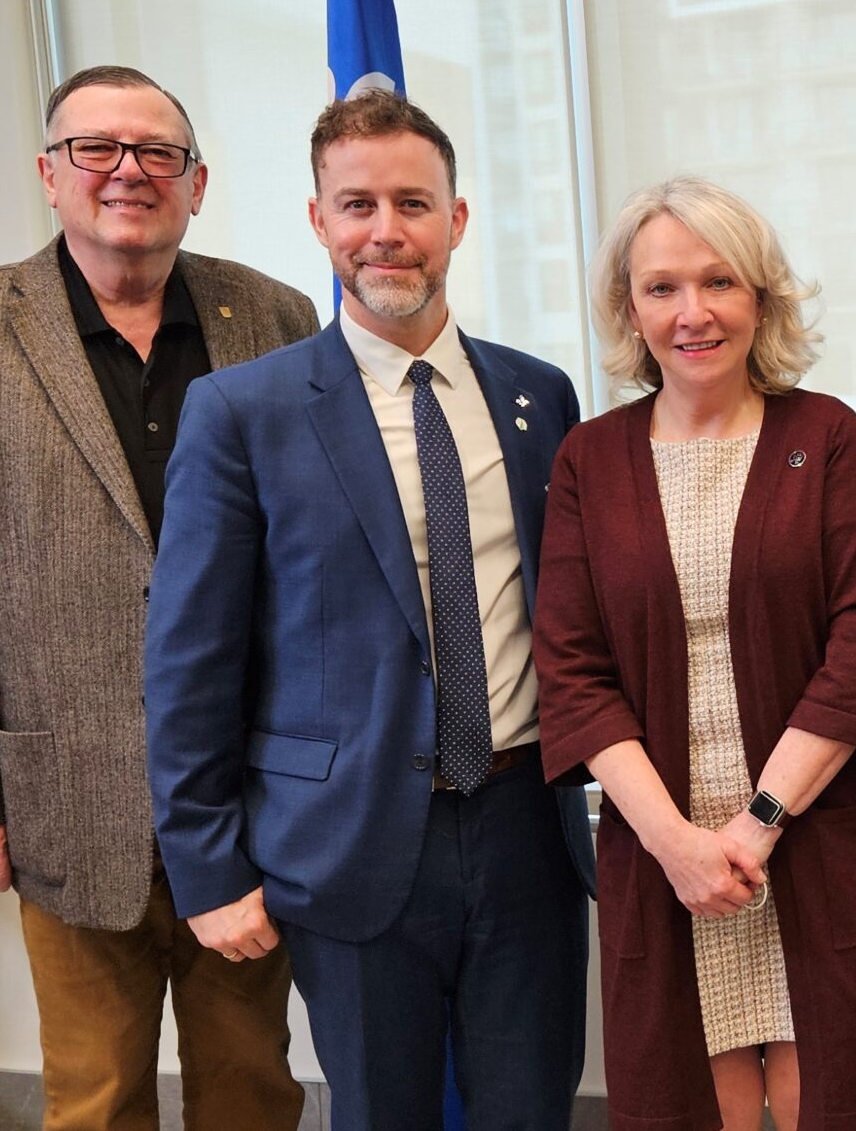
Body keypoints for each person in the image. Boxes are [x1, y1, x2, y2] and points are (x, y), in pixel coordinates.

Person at [0, 64, 314, 1131]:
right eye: (96, 149)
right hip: (65, 792)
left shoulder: (275, 314)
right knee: (97, 1092)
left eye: (157, 152)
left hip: (251, 786)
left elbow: (312, 557)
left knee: (252, 1084)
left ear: (195, 182)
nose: (128, 171)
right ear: (49, 173)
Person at [143, 89, 594, 1131]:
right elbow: (189, 661)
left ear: (456, 220)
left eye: (412, 203)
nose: (385, 231)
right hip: (347, 844)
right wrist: (208, 867)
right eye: (356, 206)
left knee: (531, 1108)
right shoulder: (242, 412)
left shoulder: (539, 398)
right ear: (318, 221)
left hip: (529, 825)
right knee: (383, 1112)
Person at [534, 177, 856, 1131]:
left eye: (719, 282)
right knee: (697, 1106)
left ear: (762, 298)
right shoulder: (588, 458)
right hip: (665, 854)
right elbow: (572, 674)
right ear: (630, 309)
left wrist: (754, 827)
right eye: (661, 288)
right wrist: (680, 848)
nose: (692, 312)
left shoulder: (823, 434)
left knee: (827, 1099)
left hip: (808, 841)